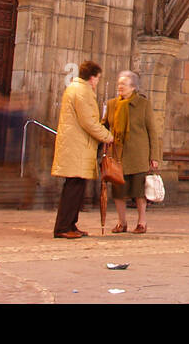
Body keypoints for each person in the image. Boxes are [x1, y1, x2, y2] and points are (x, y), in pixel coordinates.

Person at [51, 61, 113, 239]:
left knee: (76, 187)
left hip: (76, 146)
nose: (97, 82)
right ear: (92, 77)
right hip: (77, 147)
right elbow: (88, 122)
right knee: (74, 187)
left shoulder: (75, 89)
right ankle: (63, 227)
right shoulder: (82, 91)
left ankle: (70, 224)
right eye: (98, 78)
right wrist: (107, 136)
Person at [103, 70, 160, 233]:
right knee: (118, 191)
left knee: (139, 192)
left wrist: (154, 156)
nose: (120, 87)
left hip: (138, 155)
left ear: (133, 87)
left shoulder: (143, 104)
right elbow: (104, 125)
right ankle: (122, 222)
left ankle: (142, 222)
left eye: (124, 84)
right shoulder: (112, 104)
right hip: (118, 155)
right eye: (119, 84)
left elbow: (152, 132)